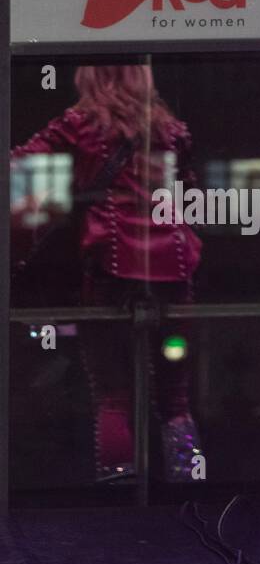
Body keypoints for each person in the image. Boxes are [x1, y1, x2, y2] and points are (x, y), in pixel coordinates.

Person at [10, 65, 203, 483]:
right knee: (175, 397)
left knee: (113, 393)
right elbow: (189, 195)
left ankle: (118, 482)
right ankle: (189, 479)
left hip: (109, 275)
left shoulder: (81, 125)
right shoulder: (172, 130)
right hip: (174, 275)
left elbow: (21, 167)